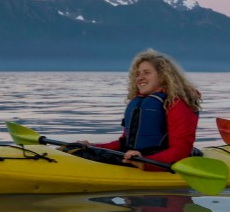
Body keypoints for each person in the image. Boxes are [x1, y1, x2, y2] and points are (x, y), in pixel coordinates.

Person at [74, 49, 202, 169]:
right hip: (135, 158)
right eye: (138, 74)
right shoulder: (139, 103)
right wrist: (91, 146)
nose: (140, 77)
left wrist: (144, 163)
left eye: (147, 73)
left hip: (156, 162)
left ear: (163, 76)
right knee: (77, 151)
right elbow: (123, 144)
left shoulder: (178, 103)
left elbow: (181, 151)